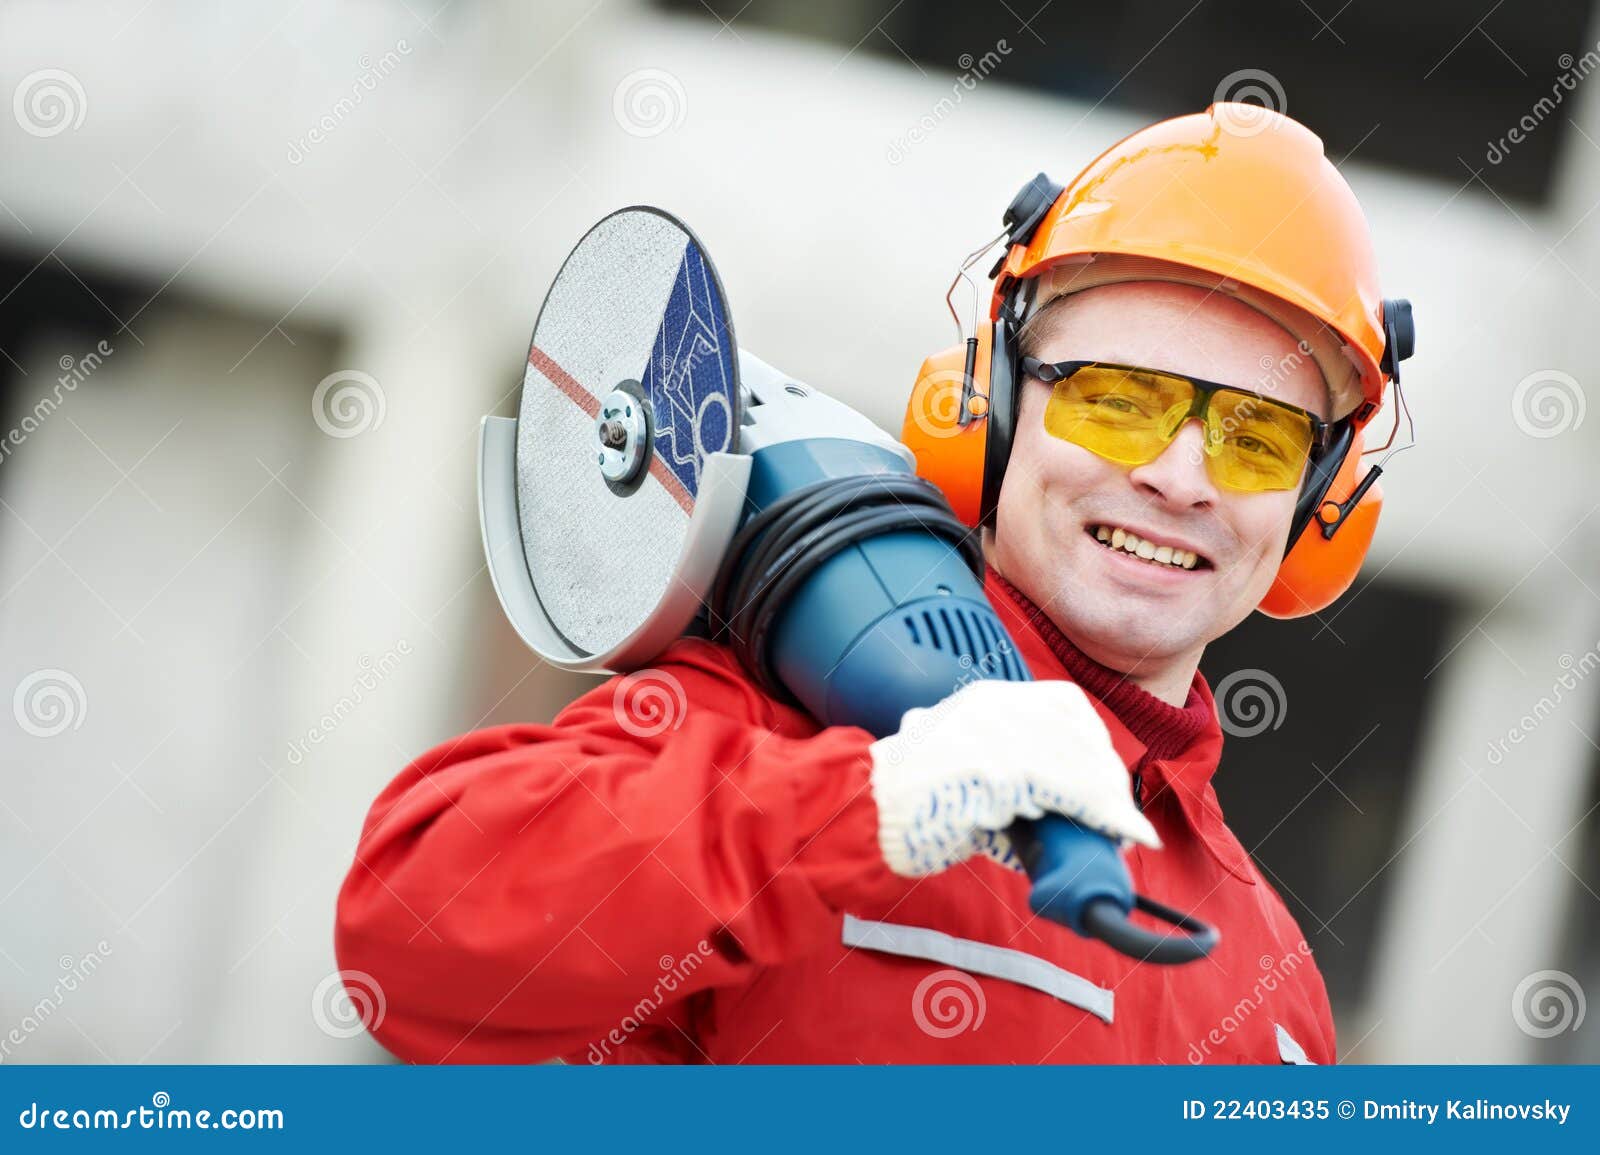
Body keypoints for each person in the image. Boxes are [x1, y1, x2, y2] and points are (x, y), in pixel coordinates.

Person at [335, 104, 1408, 1064]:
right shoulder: (788, 723)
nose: (1178, 478)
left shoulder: (1277, 994)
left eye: (1256, 438)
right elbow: (411, 937)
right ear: (988, 411)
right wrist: (869, 805)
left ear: (1319, 507)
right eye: (1116, 401)